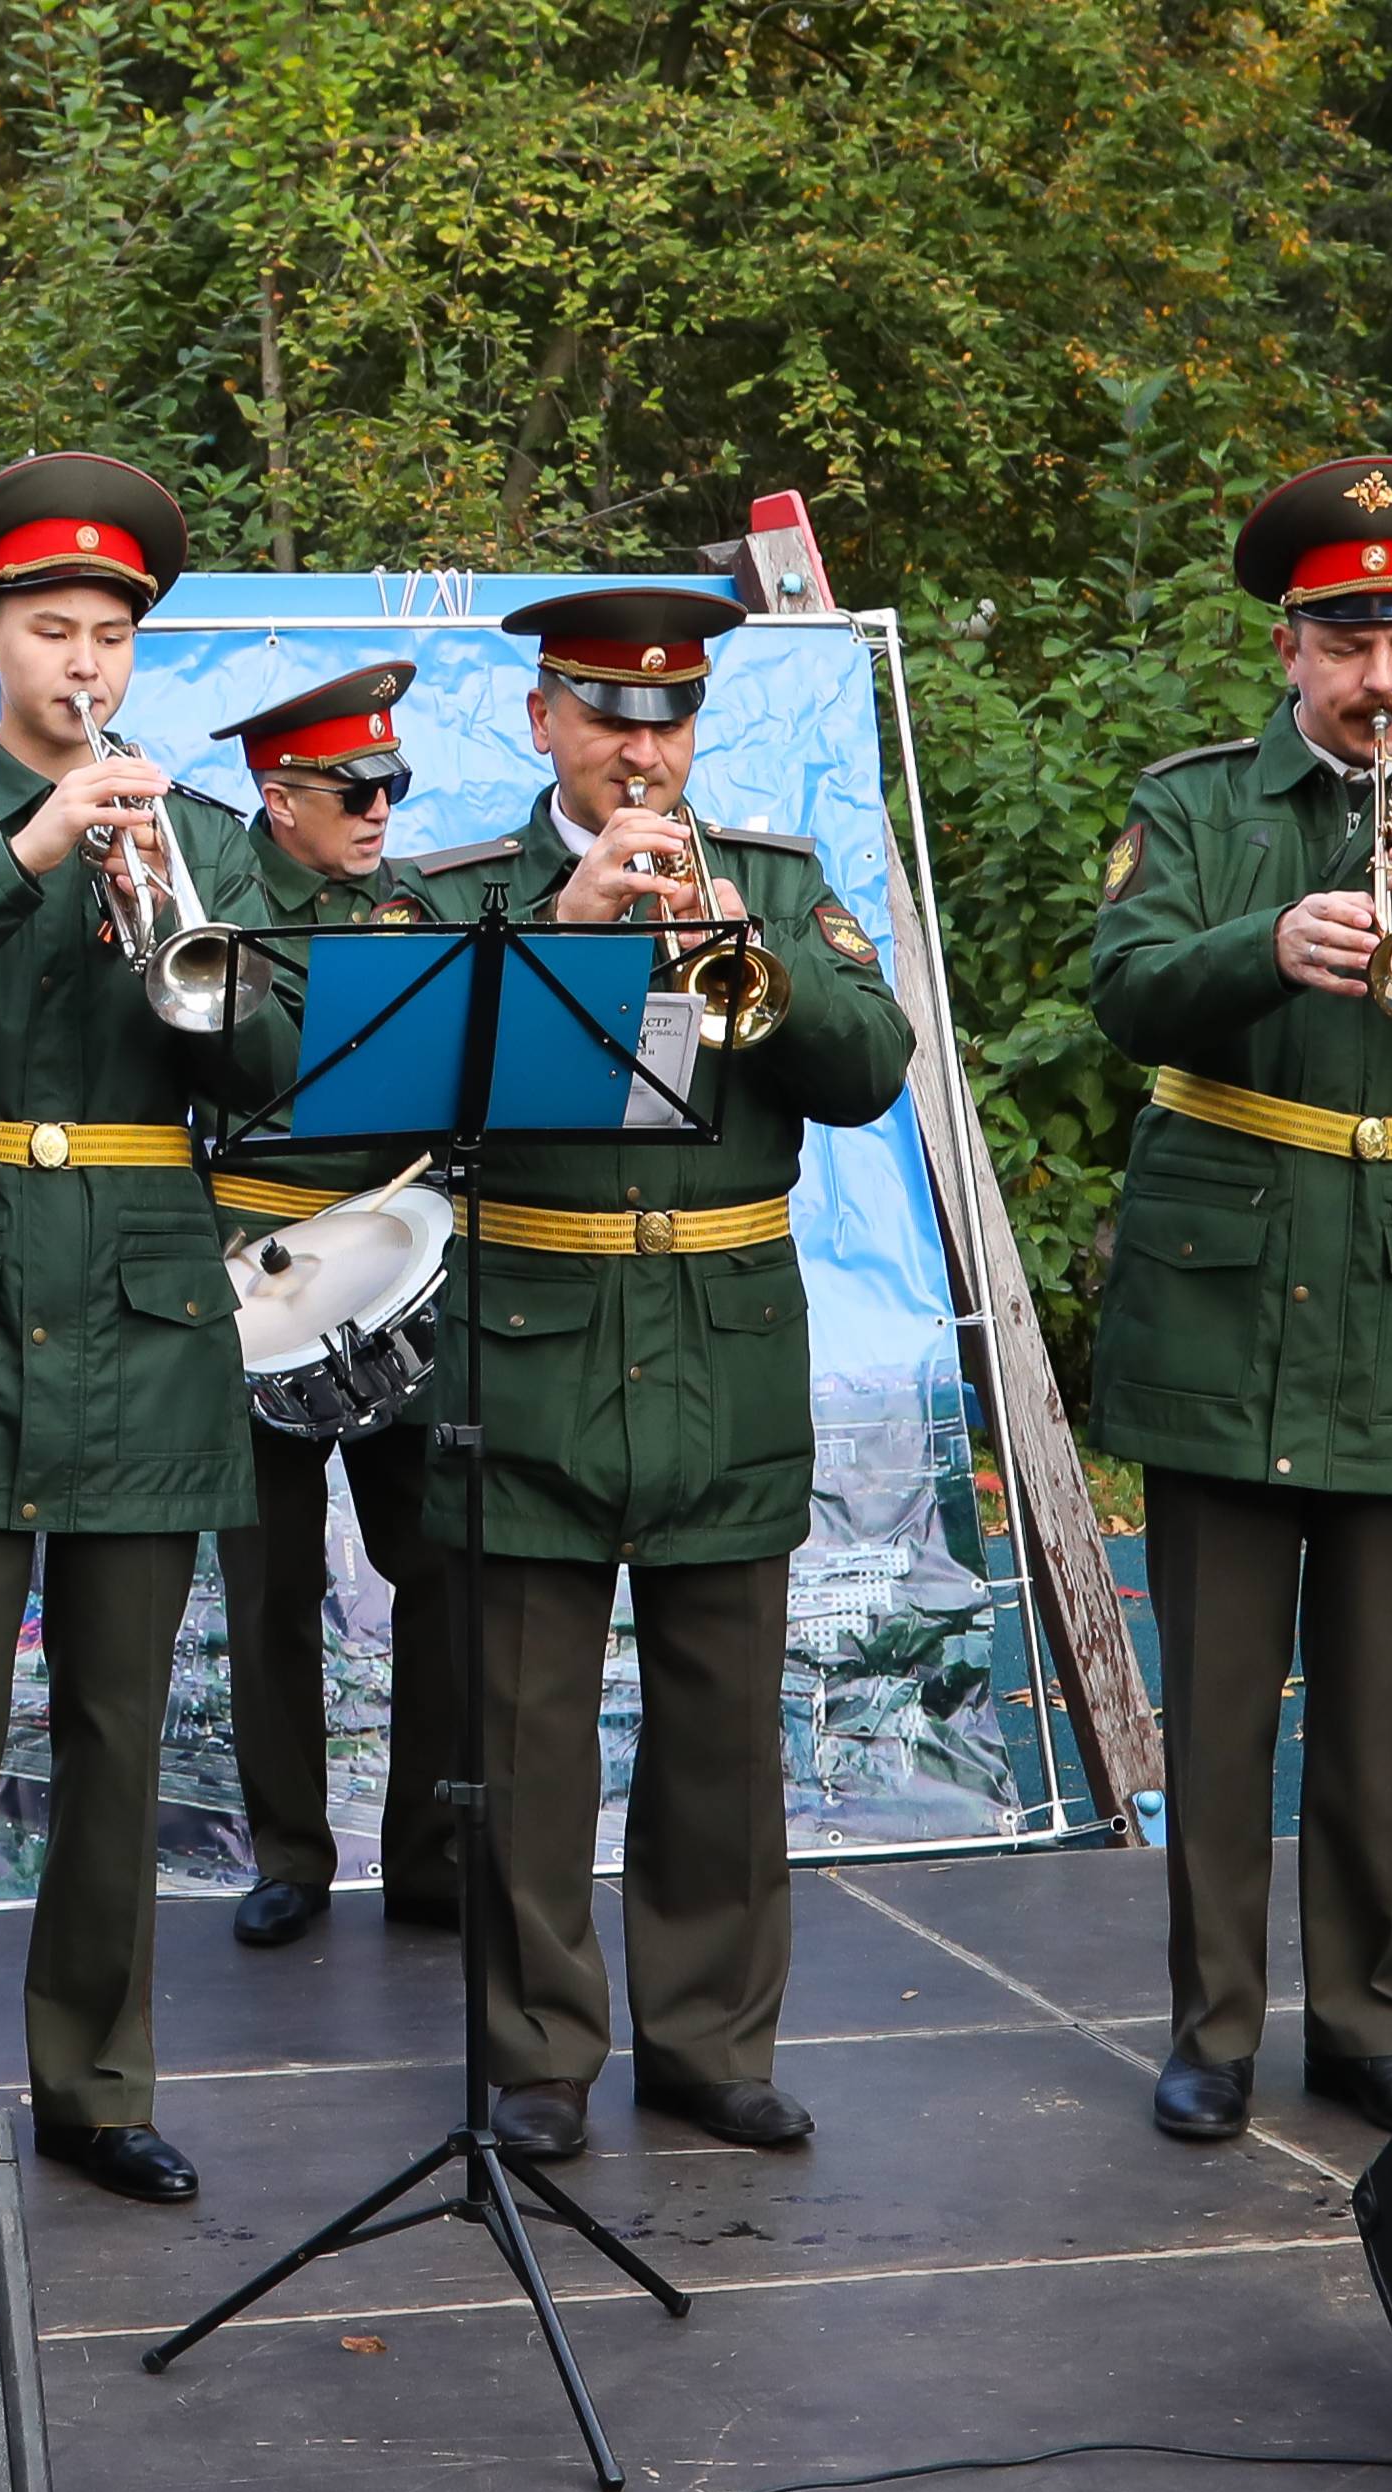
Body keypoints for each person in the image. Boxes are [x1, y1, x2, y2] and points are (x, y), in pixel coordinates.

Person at [0, 452, 301, 2203]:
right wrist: (24, 854)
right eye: (48, 628)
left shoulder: (213, 835)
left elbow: (271, 1067)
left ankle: (94, 2083)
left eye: (108, 632)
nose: (82, 659)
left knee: (117, 1724)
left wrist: (180, 900)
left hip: (145, 1286)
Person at [1083, 455, 1392, 2143]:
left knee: (1375, 1705)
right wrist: (1253, 948)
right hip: (1221, 1291)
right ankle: (1211, 2026)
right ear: (1287, 644)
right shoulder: (1201, 805)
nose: (1376, 676)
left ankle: (1363, 2021)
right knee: (1217, 1702)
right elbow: (1118, 997)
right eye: (1343, 640)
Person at [397, 584, 915, 2159]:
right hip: (532, 1329)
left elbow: (866, 1066)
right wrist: (569, 934)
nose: (641, 748)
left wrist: (737, 944)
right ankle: (537, 2052)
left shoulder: (771, 879)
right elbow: (412, 1088)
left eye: (668, 719)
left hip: (723, 1333)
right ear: (539, 720)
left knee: (719, 1727)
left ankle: (707, 2041)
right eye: (608, 716)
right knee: (525, 1732)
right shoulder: (460, 894)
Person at [190, 662, 455, 1949]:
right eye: (354, 788)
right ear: (276, 794)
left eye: (392, 784)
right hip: (254, 1261)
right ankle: (289, 1852)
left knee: (443, 1564)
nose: (379, 809)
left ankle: (431, 1855)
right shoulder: (214, 899)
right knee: (270, 1589)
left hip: (403, 1251)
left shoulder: (418, 905)